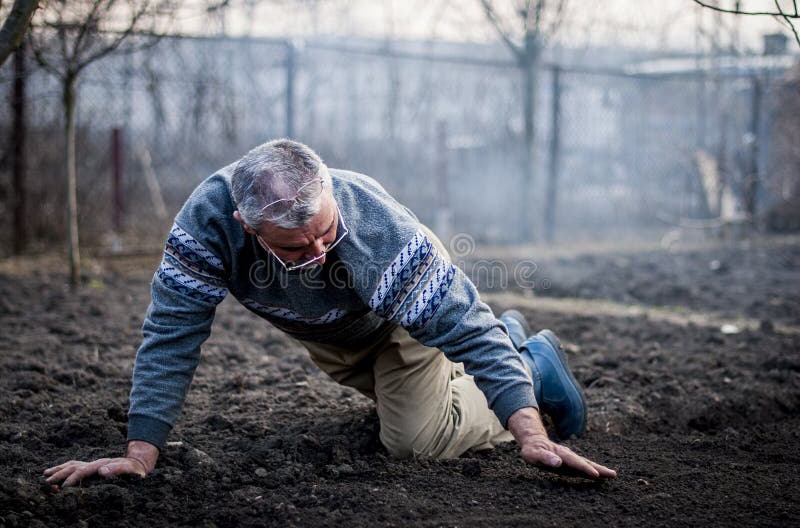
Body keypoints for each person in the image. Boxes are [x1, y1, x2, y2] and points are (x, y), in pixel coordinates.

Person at [44, 139, 616, 487]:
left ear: (329, 195)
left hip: (401, 316)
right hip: (331, 334)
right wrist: (140, 453)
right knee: (400, 403)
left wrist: (530, 432)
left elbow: (465, 328)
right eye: (295, 247)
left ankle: (532, 368)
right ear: (247, 226)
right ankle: (499, 367)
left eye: (326, 232)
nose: (320, 253)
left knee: (415, 440)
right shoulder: (209, 227)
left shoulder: (376, 233)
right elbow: (171, 335)